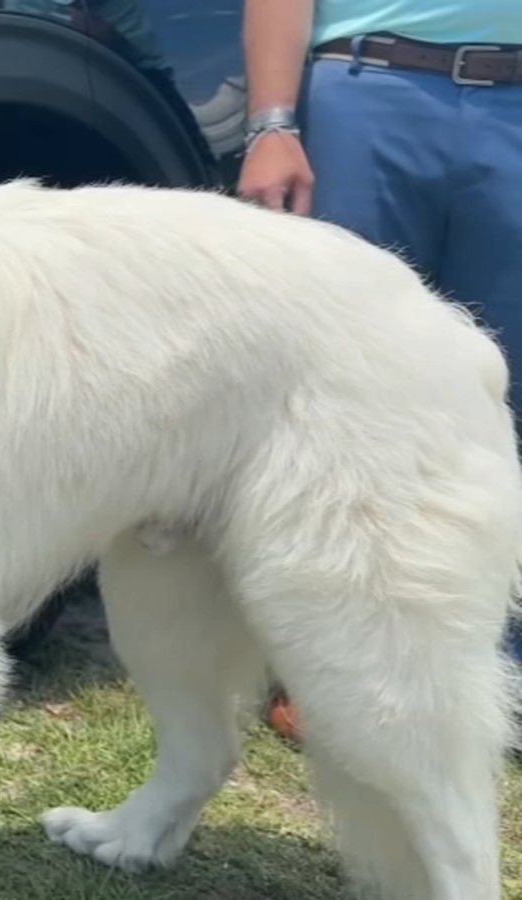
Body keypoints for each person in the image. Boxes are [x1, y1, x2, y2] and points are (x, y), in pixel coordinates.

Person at [236, 0, 522, 743]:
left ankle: (492, 671)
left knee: (508, 397)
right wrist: (272, 125)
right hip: (372, 88)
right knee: (344, 400)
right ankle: (321, 665)